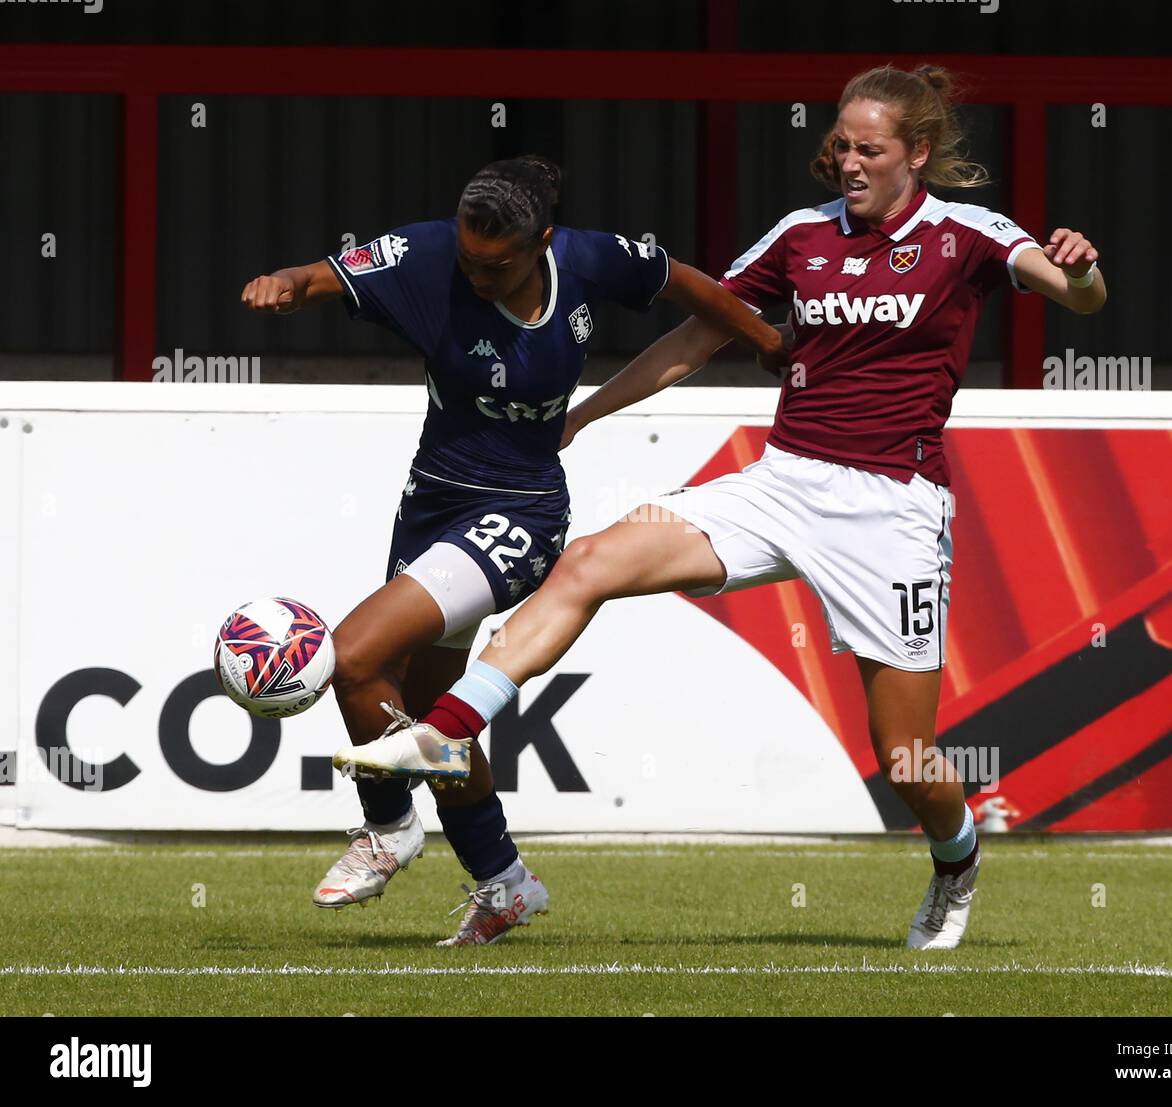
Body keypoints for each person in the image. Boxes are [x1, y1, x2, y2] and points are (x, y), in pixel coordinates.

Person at [334, 65, 1107, 950]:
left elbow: (1076, 294)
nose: (849, 160)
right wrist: (585, 412)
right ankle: (446, 730)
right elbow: (698, 334)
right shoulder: (802, 236)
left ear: (917, 153)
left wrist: (1083, 272)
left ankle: (956, 857)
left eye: (871, 148)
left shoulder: (966, 233)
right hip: (781, 482)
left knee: (905, 760)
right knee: (588, 559)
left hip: (891, 510)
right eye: (843, 143)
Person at [241, 155, 784, 945]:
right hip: (430, 504)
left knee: (351, 657)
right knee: (429, 717)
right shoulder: (425, 253)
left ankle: (388, 829)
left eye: (496, 264)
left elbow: (688, 285)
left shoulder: (593, 259)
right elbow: (322, 274)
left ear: (543, 243)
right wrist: (287, 283)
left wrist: (766, 338)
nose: (477, 274)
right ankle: (503, 882)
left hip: (522, 512)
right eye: (469, 259)